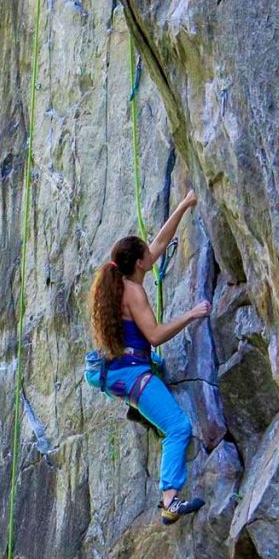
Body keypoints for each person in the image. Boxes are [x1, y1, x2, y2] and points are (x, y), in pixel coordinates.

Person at [88, 189, 211, 525]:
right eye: (147, 255)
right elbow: (155, 336)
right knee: (177, 427)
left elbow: (158, 242)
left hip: (123, 371)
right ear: (140, 264)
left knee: (161, 395)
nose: (152, 253)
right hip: (132, 374)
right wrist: (192, 314)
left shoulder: (122, 280)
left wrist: (184, 205)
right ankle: (169, 501)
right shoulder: (134, 292)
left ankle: (144, 411)